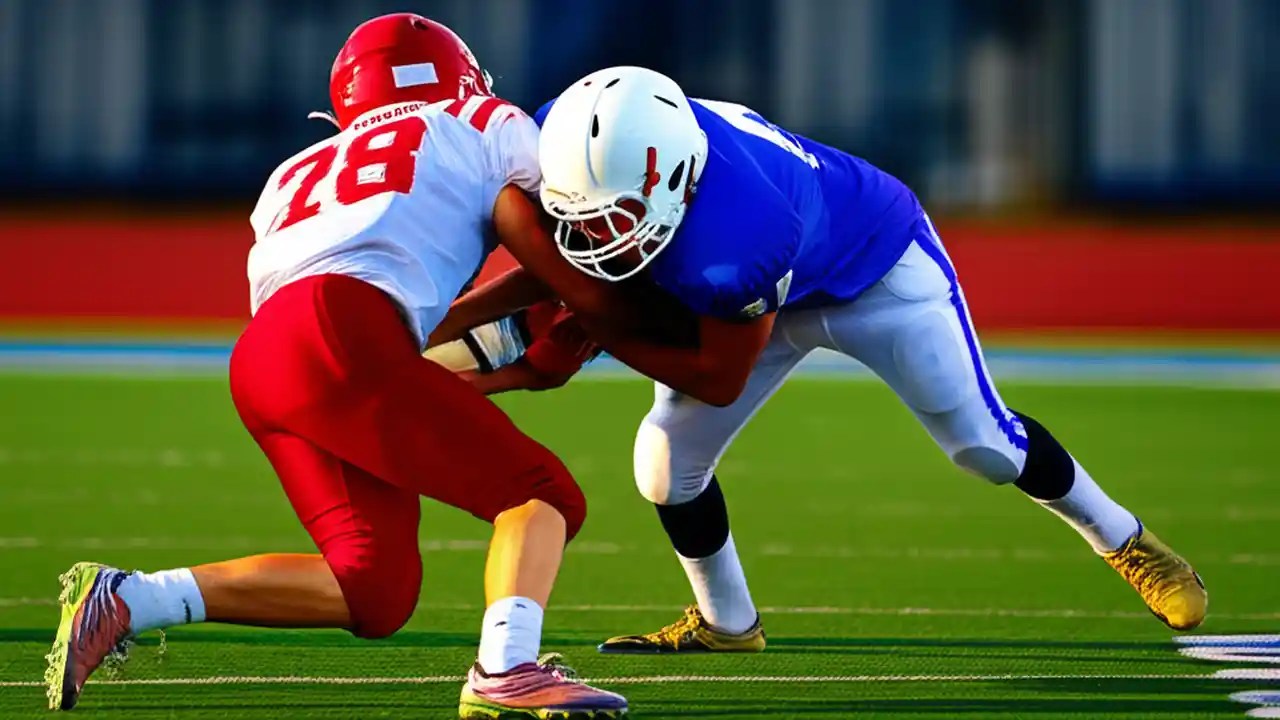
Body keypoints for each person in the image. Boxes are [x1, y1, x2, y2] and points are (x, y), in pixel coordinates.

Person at [446, 65, 1208, 655]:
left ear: (674, 182)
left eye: (615, 216)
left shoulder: (737, 241)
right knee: (664, 464)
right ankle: (727, 624)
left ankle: (1126, 539)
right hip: (758, 273)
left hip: (872, 267)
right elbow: (566, 261)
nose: (593, 233)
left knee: (983, 445)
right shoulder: (574, 148)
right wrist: (451, 320)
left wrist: (585, 331)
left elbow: (718, 374)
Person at [44, 16, 627, 719]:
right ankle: (507, 669)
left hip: (265, 357)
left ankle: (133, 598)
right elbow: (540, 226)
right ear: (458, 75)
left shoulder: (291, 173)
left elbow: (365, 329)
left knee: (372, 589)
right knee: (541, 496)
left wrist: (500, 361)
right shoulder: (480, 117)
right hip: (342, 332)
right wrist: (595, 304)